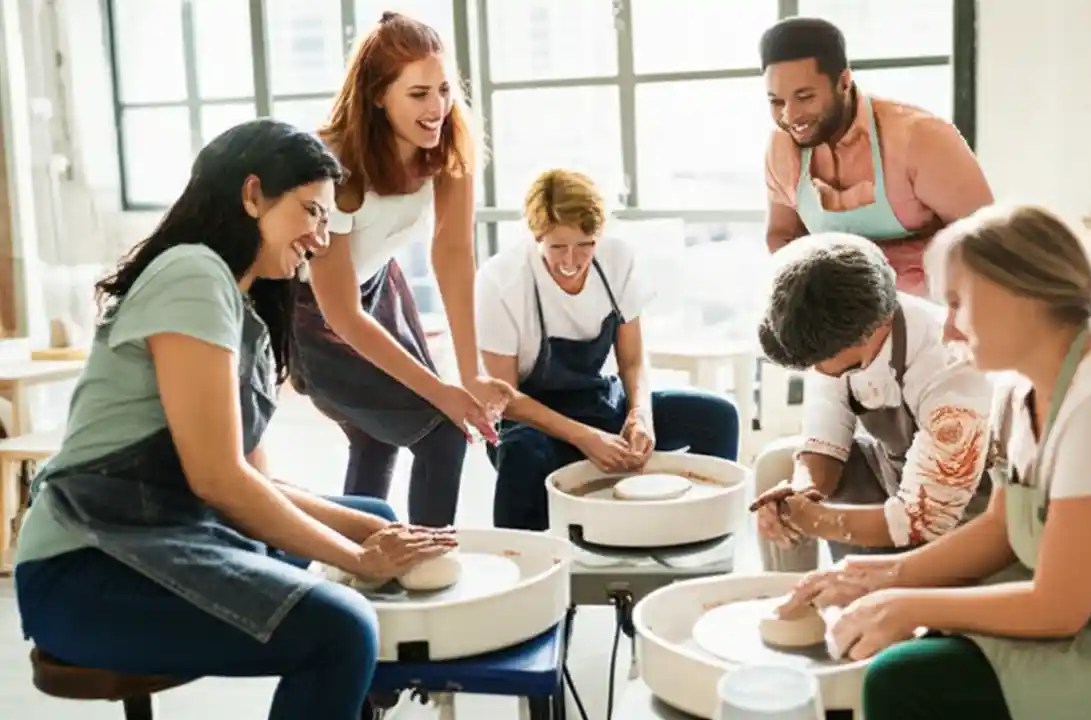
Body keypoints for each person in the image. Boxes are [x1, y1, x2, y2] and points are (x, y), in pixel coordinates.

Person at [14, 119, 456, 720]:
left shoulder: (239, 304)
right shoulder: (192, 274)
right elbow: (218, 480)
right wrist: (359, 560)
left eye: (328, 219)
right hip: (87, 567)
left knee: (374, 518)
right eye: (311, 212)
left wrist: (369, 538)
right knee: (343, 629)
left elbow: (257, 482)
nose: (322, 239)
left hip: (167, 536)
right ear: (253, 196)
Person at [779, 205, 1091, 720]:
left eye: (957, 304)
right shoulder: (1022, 387)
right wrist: (883, 574)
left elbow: (1058, 608)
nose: (948, 330)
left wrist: (905, 603)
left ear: (1020, 300)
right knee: (913, 637)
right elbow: (1002, 523)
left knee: (903, 680)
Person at [291, 12, 512, 527]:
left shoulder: (451, 140)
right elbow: (340, 313)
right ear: (376, 95)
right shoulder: (333, 164)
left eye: (443, 89)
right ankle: (425, 566)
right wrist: (445, 394)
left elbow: (453, 255)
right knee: (442, 432)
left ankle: (362, 561)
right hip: (311, 313)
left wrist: (470, 373)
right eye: (418, 94)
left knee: (377, 437)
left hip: (378, 285)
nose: (437, 108)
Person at [476, 169, 741, 530]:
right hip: (533, 423)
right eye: (557, 247)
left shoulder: (617, 260)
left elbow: (632, 361)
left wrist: (640, 414)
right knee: (521, 452)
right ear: (536, 235)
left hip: (600, 405)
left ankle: (700, 531)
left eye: (585, 244)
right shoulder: (501, 281)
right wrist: (584, 437)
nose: (571, 260)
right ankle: (527, 565)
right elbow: (505, 398)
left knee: (718, 416)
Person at [750, 233, 992, 572]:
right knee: (775, 468)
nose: (818, 370)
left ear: (877, 325)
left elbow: (928, 518)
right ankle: (787, 604)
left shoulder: (948, 367)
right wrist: (801, 492)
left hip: (962, 516)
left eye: (823, 361)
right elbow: (824, 430)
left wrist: (819, 520)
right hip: (889, 477)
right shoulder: (834, 340)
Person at [760, 17, 993, 296]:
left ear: (844, 81)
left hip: (932, 312)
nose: (790, 115)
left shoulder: (921, 139)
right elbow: (782, 236)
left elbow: (988, 244)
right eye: (776, 101)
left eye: (806, 96)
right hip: (841, 316)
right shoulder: (782, 146)